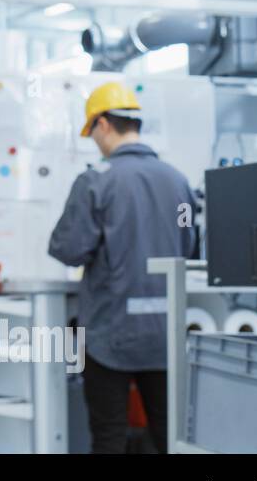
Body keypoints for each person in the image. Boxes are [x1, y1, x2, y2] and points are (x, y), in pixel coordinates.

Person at [47, 80, 195, 454]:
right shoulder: (179, 182)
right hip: (167, 334)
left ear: (102, 125)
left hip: (108, 334)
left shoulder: (97, 181)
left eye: (92, 132)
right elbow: (189, 248)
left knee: (109, 436)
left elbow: (67, 248)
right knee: (170, 436)